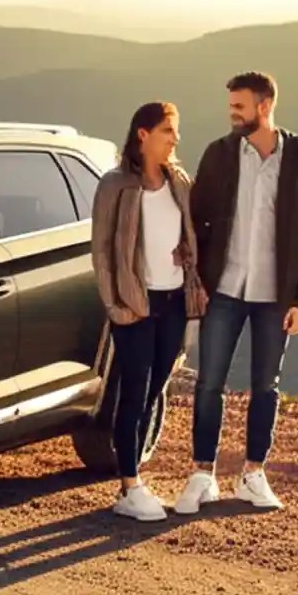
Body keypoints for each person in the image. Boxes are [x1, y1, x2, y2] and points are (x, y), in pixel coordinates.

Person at [174, 71, 298, 515]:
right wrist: (197, 282)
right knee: (209, 384)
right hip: (223, 290)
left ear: (264, 106)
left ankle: (253, 475)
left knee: (266, 387)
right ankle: (202, 476)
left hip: (275, 297)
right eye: (230, 107)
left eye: (239, 107)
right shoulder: (220, 155)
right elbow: (198, 221)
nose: (232, 115)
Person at [92, 101, 208, 522]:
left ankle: (133, 481)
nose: (175, 139)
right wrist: (116, 305)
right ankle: (130, 485)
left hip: (173, 300)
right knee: (134, 391)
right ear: (143, 134)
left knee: (156, 388)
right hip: (134, 304)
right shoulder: (116, 185)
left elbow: (189, 232)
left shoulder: (179, 180)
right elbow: (102, 252)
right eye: (167, 131)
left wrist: (187, 258)